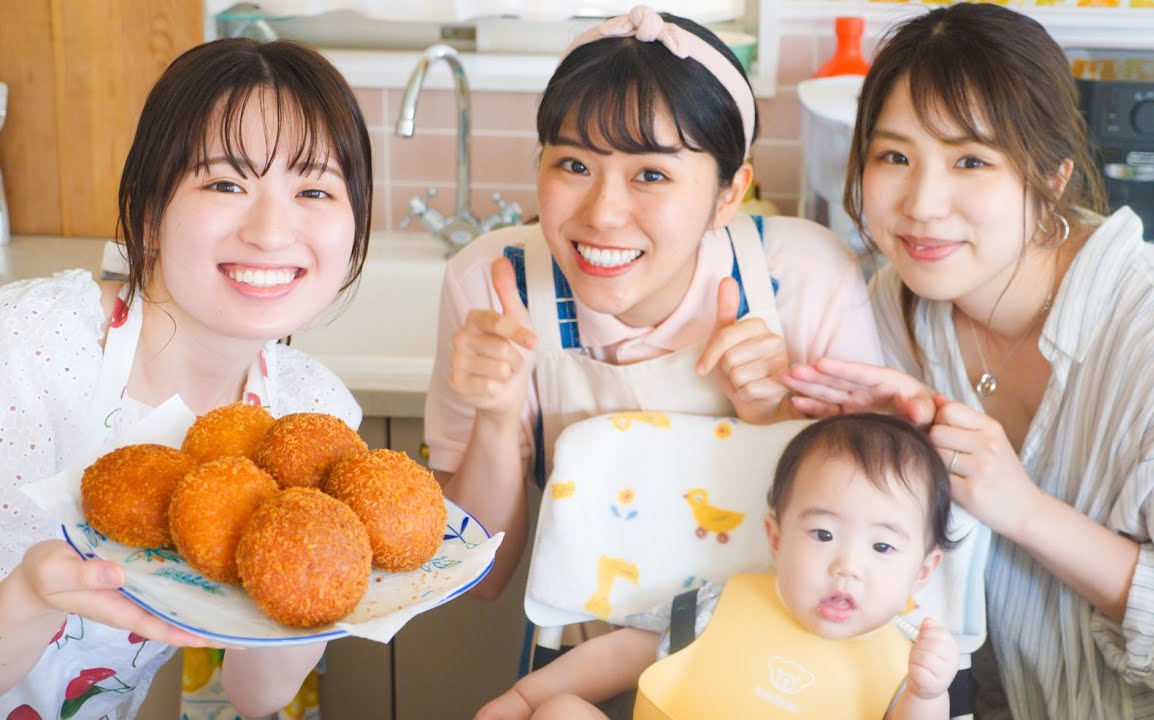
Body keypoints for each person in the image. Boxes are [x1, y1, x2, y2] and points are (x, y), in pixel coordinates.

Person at [781, 4, 1154, 718]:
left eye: (971, 161)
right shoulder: (897, 305)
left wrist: (1025, 510)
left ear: (1051, 178)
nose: (922, 204)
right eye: (894, 157)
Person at [424, 5, 881, 604]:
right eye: (574, 165)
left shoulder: (802, 279)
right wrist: (496, 419)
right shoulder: (492, 287)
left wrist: (777, 423)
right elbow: (473, 581)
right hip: (580, 652)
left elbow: (878, 553)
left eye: (652, 176)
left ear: (729, 194)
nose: (602, 214)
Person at [0, 38, 372, 720]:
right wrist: (26, 594)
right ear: (149, 210)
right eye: (226, 184)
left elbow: (253, 696)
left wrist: (327, 588)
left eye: (314, 189)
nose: (270, 231)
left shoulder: (310, 415)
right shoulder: (30, 347)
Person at [475, 413, 959, 720]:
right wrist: (525, 697)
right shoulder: (719, 604)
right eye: (823, 535)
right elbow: (618, 656)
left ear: (923, 570)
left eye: (882, 548)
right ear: (776, 538)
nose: (846, 567)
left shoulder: (908, 665)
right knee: (562, 713)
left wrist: (928, 693)